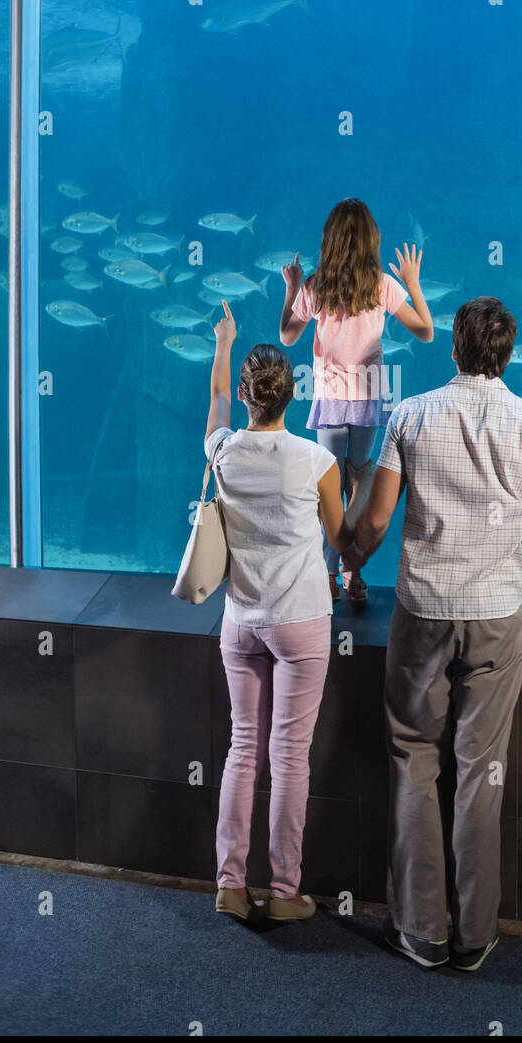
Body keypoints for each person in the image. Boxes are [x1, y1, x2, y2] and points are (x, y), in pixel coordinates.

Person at [345, 296, 522, 971]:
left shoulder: (411, 415)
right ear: (508, 355)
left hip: (423, 610)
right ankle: (475, 935)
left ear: (453, 349)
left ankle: (419, 931)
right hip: (496, 614)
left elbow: (374, 523)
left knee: (413, 756)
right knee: (482, 769)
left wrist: (350, 561)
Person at [205, 300, 353, 923]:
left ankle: (230, 886)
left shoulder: (222, 451)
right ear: (293, 396)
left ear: (246, 397)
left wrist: (225, 340)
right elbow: (342, 538)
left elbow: (214, 399)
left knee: (243, 749)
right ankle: (286, 893)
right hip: (301, 623)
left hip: (241, 621)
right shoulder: (318, 461)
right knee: (288, 755)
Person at [280, 197, 434, 603]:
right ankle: (352, 571)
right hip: (367, 395)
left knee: (327, 485)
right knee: (359, 478)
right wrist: (413, 283)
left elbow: (287, 336)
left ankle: (329, 573)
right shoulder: (382, 284)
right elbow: (425, 332)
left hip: (328, 396)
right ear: (371, 240)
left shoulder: (316, 286)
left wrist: (293, 288)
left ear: (329, 239)